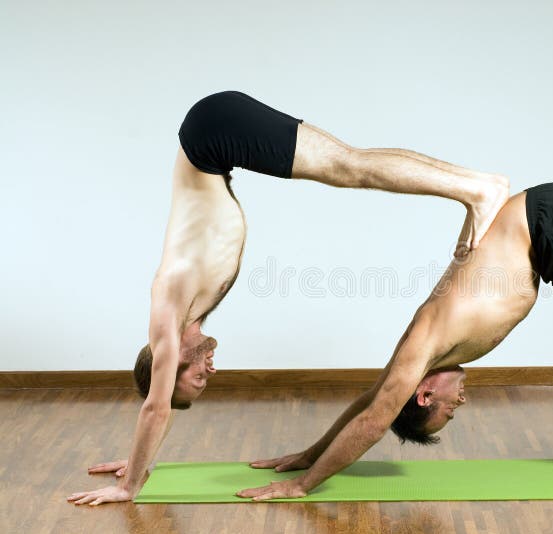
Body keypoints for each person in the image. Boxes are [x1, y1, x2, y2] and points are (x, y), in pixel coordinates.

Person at [67, 91, 508, 506]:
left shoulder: (165, 314)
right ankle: (473, 191)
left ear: (168, 363)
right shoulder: (188, 313)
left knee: (348, 166)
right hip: (215, 142)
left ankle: (478, 189)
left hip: (212, 136)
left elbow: (154, 408)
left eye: (198, 376)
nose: (211, 370)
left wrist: (130, 485)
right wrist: (140, 463)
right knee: (348, 162)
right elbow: (156, 406)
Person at [237, 182, 553, 501]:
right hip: (548, 222)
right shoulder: (416, 360)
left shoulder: (419, 352)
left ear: (424, 393)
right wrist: (309, 453)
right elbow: (372, 402)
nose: (462, 401)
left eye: (449, 409)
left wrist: (304, 484)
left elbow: (374, 420)